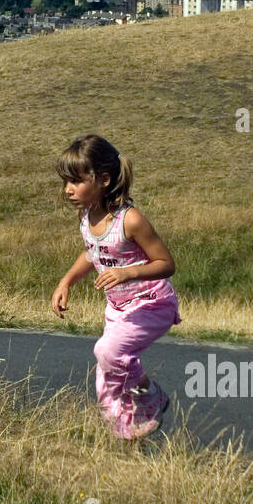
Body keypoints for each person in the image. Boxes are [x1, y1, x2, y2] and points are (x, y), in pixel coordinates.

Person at [51, 135, 181, 440]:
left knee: (107, 351)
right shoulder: (87, 216)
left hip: (151, 303)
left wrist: (128, 272)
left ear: (104, 179)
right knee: (106, 374)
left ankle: (152, 397)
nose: (67, 190)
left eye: (76, 181)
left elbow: (166, 263)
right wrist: (66, 281)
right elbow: (91, 253)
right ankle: (122, 431)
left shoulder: (130, 220)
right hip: (119, 309)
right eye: (65, 182)